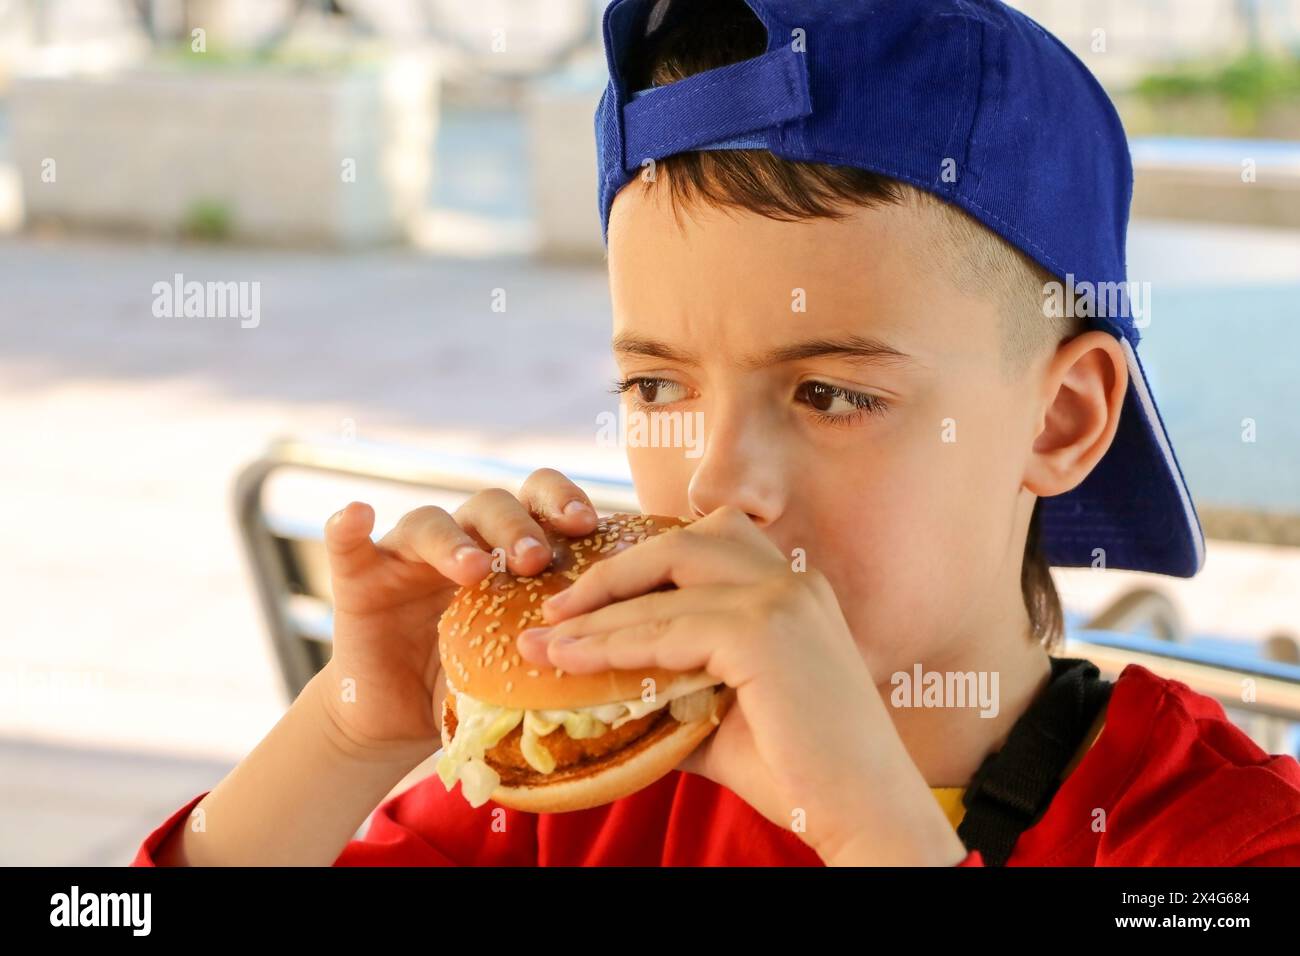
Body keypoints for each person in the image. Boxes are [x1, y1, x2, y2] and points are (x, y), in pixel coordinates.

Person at [132, 0, 1300, 866]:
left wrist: (861, 816)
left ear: (1061, 416)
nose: (714, 480)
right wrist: (349, 729)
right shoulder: (578, 791)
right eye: (655, 387)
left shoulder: (1224, 839)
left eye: (830, 393)